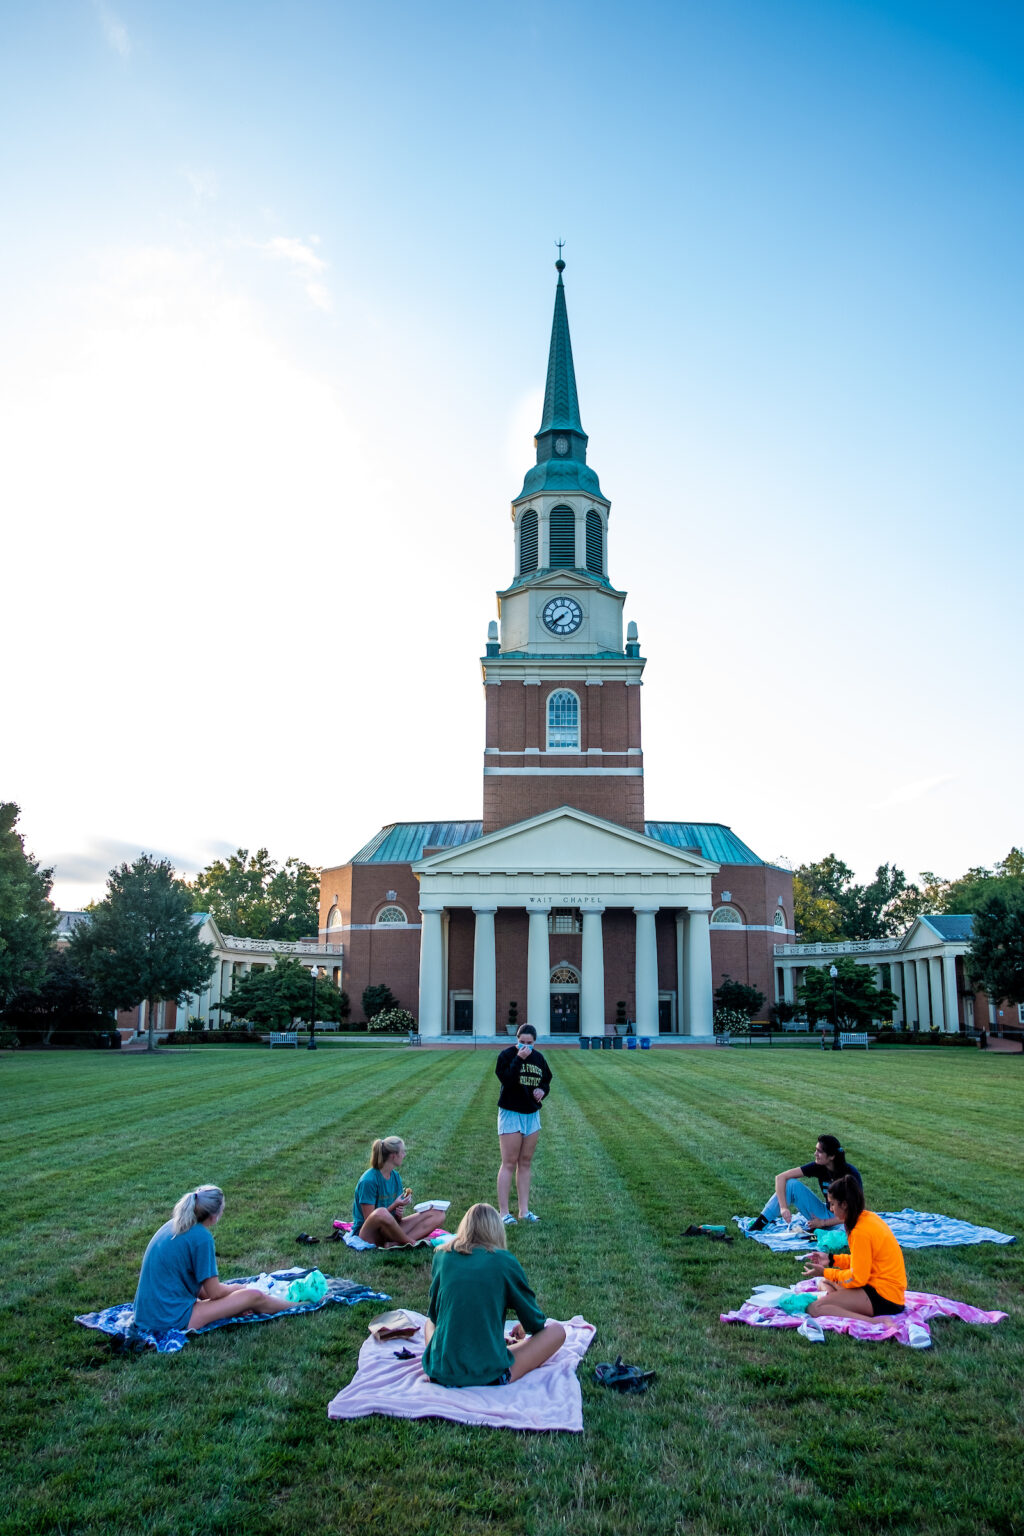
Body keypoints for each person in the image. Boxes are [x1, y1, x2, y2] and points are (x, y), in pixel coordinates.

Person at [421, 1203, 565, 1387]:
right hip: (490, 1374)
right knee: (556, 1331)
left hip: (440, 1372)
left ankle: (458, 1356)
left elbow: (435, 1315)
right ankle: (493, 1351)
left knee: (429, 1323)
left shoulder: (442, 1256)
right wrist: (522, 1328)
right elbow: (535, 1323)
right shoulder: (504, 1262)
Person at [133, 1185, 300, 1333]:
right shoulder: (201, 1237)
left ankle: (246, 1302)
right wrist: (237, 1288)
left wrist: (233, 1302)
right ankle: (300, 1306)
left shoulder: (173, 1225)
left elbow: (202, 1290)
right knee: (253, 1296)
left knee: (240, 1298)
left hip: (146, 1315)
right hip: (169, 1319)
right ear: (215, 1215)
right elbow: (214, 1293)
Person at [802, 1174, 906, 1318]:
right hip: (884, 1289)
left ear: (844, 1204)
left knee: (815, 1308)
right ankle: (840, 1303)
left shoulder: (859, 1232)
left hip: (884, 1297)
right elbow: (862, 1260)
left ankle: (876, 1322)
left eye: (832, 1204)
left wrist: (825, 1271)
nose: (831, 1209)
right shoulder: (867, 1217)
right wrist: (831, 1259)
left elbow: (857, 1278)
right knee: (826, 1282)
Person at [495, 1023, 552, 1225]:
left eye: (529, 1043)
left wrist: (542, 1091)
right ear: (516, 1040)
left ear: (535, 1042)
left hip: (531, 1114)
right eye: (521, 1042)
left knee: (525, 1162)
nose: (526, 1046)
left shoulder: (539, 1058)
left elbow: (546, 1080)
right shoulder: (507, 1055)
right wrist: (519, 1058)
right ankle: (503, 1213)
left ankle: (524, 1211)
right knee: (509, 1162)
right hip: (511, 1112)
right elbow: (507, 1080)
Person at [749, 1133, 862, 1232]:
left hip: (844, 1221)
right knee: (791, 1184)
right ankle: (758, 1225)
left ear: (832, 1156)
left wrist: (823, 1223)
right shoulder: (819, 1166)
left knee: (847, 1232)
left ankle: (824, 1229)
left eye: (819, 1151)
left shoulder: (850, 1175)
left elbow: (854, 1212)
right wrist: (783, 1208)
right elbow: (780, 1178)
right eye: (816, 1150)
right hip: (826, 1212)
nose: (815, 1154)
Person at [351, 1136, 441, 1246]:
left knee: (438, 1214)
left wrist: (399, 1212)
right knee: (381, 1212)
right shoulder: (368, 1181)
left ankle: (394, 1244)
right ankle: (413, 1243)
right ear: (394, 1156)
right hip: (368, 1234)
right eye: (403, 1152)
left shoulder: (395, 1177)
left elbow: (396, 1219)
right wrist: (395, 1204)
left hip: (389, 1230)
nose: (405, 1155)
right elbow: (371, 1218)